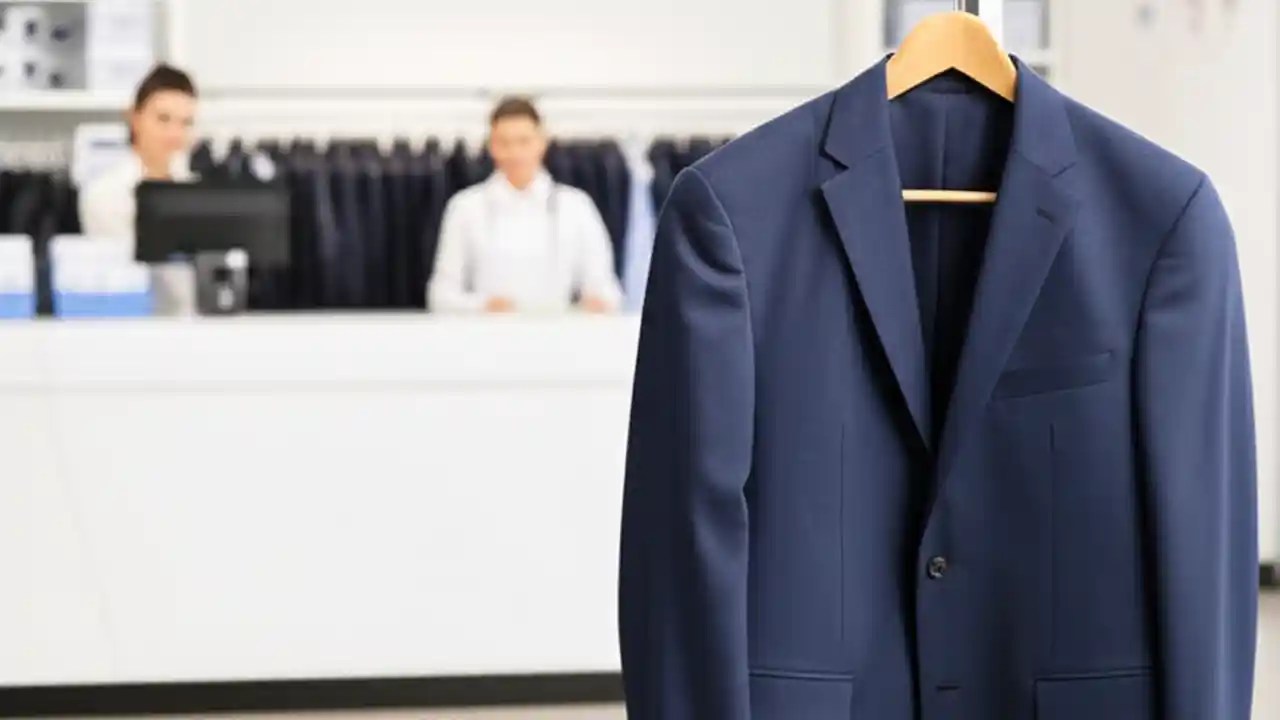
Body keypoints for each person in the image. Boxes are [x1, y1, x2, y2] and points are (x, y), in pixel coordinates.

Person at [427, 97, 622, 313]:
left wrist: (597, 303)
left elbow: (607, 289)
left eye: (524, 141)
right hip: (485, 339)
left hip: (561, 340)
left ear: (542, 142)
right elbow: (440, 296)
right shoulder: (464, 208)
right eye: (504, 143)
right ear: (491, 146)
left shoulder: (577, 207)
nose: (515, 153)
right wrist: (483, 306)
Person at [79, 64, 198, 241]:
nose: (175, 134)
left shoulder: (198, 193)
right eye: (163, 119)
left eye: (185, 123)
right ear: (135, 118)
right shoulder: (105, 194)